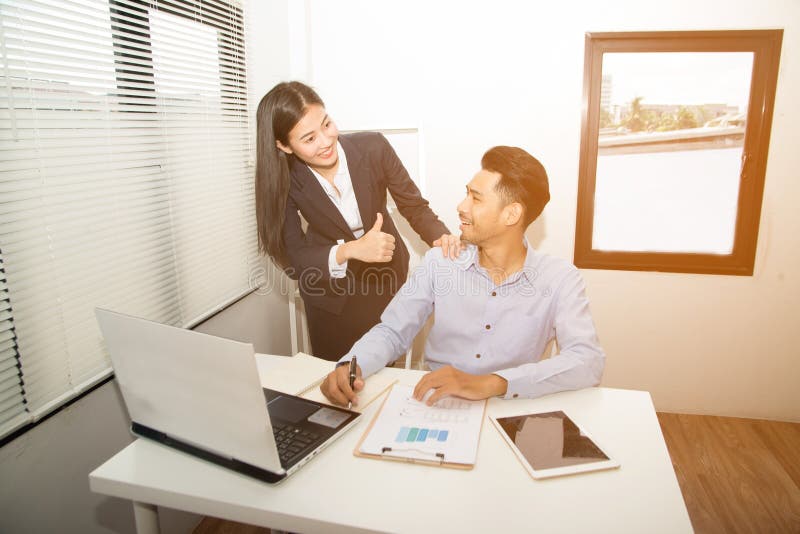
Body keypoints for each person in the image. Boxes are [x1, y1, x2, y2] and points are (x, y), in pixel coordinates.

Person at [320, 146, 605, 405]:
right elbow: (392, 331)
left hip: (511, 408)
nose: (461, 206)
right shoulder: (440, 263)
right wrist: (351, 365)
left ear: (511, 215)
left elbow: (587, 361)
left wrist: (492, 383)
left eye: (476, 198)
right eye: (466, 193)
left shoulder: (560, 279)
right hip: (436, 402)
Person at [255, 81, 460, 361]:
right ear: (284, 145)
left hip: (385, 280)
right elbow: (293, 257)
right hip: (328, 296)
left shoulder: (374, 147)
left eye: (327, 124)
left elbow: (413, 206)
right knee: (338, 377)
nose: (326, 142)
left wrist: (443, 238)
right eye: (309, 139)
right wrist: (350, 250)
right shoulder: (284, 179)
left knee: (384, 371)